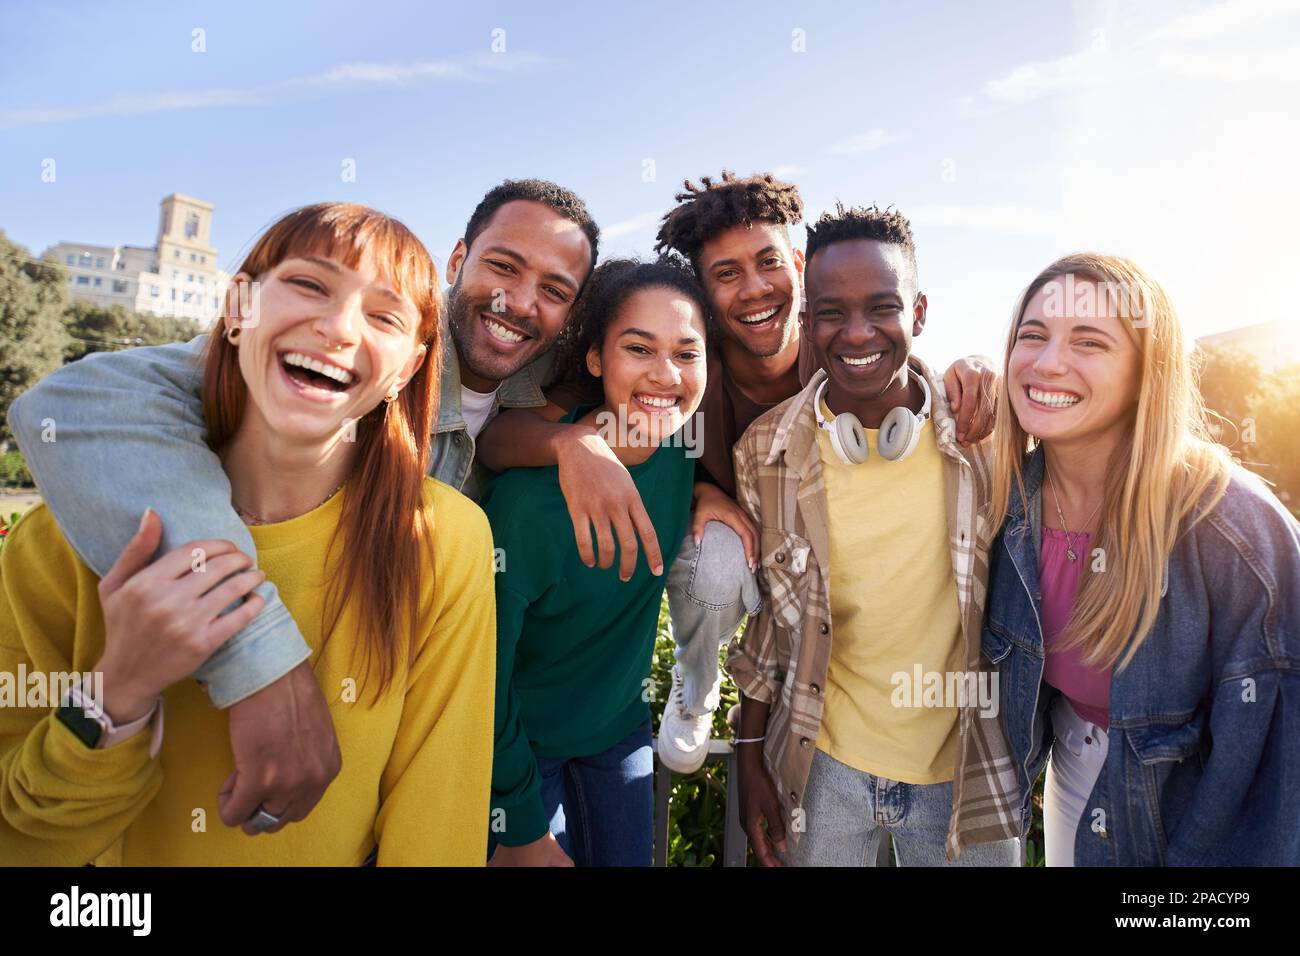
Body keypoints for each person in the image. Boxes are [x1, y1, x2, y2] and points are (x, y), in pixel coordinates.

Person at [6, 180, 598, 830]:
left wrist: (579, 444)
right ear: (458, 261)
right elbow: (85, 401)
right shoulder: (348, 352)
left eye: (554, 290)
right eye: (503, 266)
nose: (519, 301)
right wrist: (259, 657)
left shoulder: (547, 387)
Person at [476, 171, 998, 773]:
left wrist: (980, 365)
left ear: (799, 266)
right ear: (703, 293)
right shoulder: (681, 363)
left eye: (768, 262)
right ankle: (695, 688)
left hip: (806, 555)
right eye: (726, 275)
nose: (753, 290)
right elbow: (505, 433)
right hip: (718, 550)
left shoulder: (834, 346)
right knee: (718, 564)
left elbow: (898, 361)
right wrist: (579, 447)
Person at [727, 203, 1021, 867]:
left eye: (882, 307)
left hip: (964, 770)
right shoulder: (765, 451)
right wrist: (749, 760)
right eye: (831, 312)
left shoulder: (987, 437)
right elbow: (771, 622)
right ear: (807, 324)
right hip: (819, 765)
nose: (857, 332)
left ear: (918, 313)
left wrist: (990, 370)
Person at [984, 253, 1300, 865]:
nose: (1049, 362)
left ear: (1144, 373)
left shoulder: (1235, 528)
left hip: (1204, 813)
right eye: (1033, 335)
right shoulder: (1007, 503)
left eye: (1090, 342)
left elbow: (1279, 777)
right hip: (1076, 777)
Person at [483, 257, 708, 866]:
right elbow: (484, 679)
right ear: (594, 360)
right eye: (639, 348)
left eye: (687, 354)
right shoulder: (527, 505)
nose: (666, 374)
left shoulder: (684, 450)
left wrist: (710, 494)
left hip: (619, 732)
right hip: (521, 754)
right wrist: (520, 824)